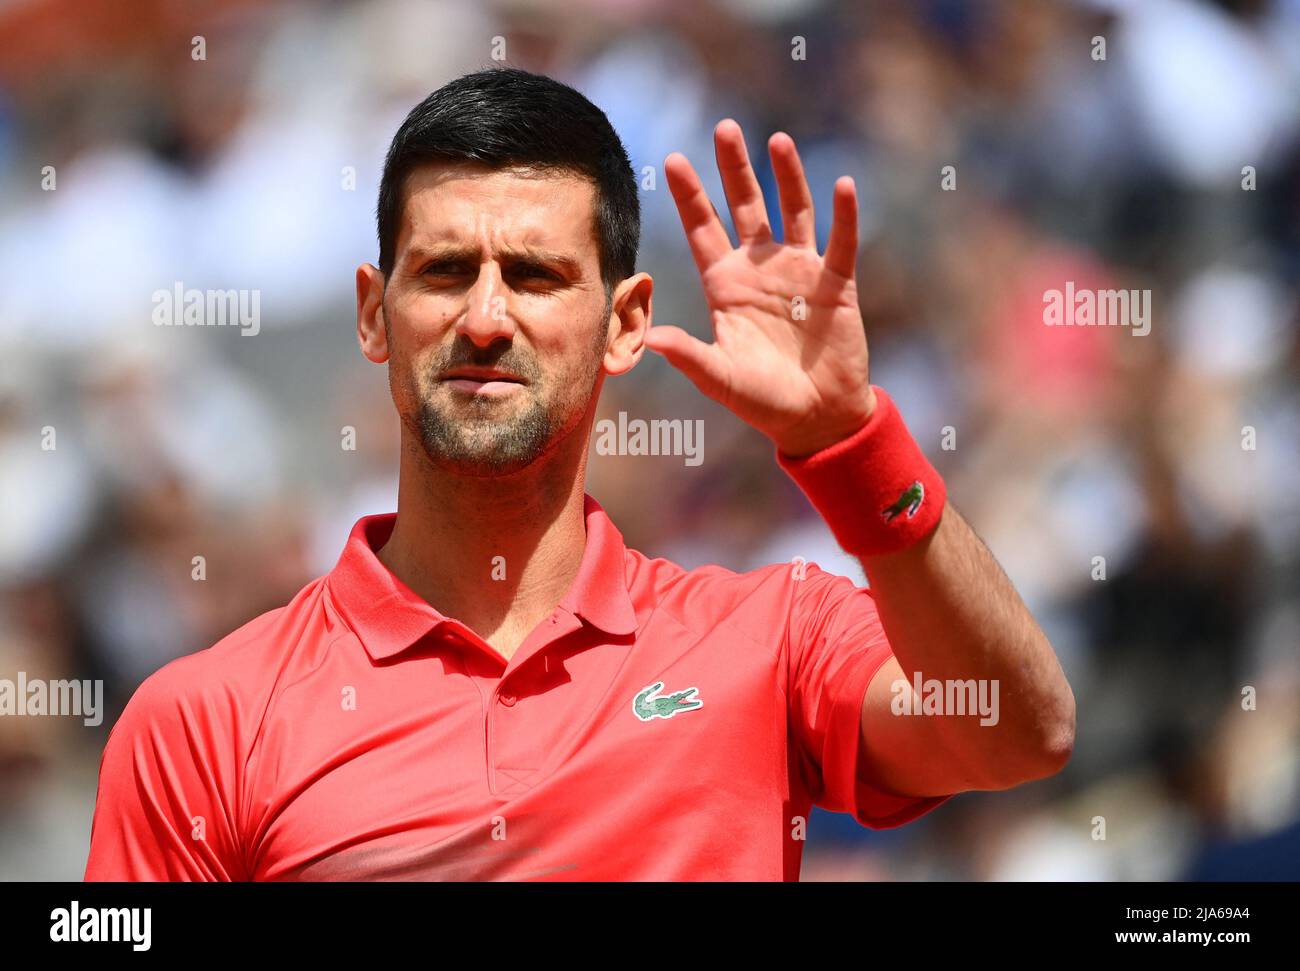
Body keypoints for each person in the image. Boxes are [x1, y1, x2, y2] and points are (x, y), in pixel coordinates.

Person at [84, 67, 1074, 881]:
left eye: (534, 274)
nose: (482, 318)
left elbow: (1015, 731)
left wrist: (851, 441)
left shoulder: (769, 639)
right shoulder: (202, 720)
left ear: (628, 321)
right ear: (373, 314)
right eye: (441, 271)